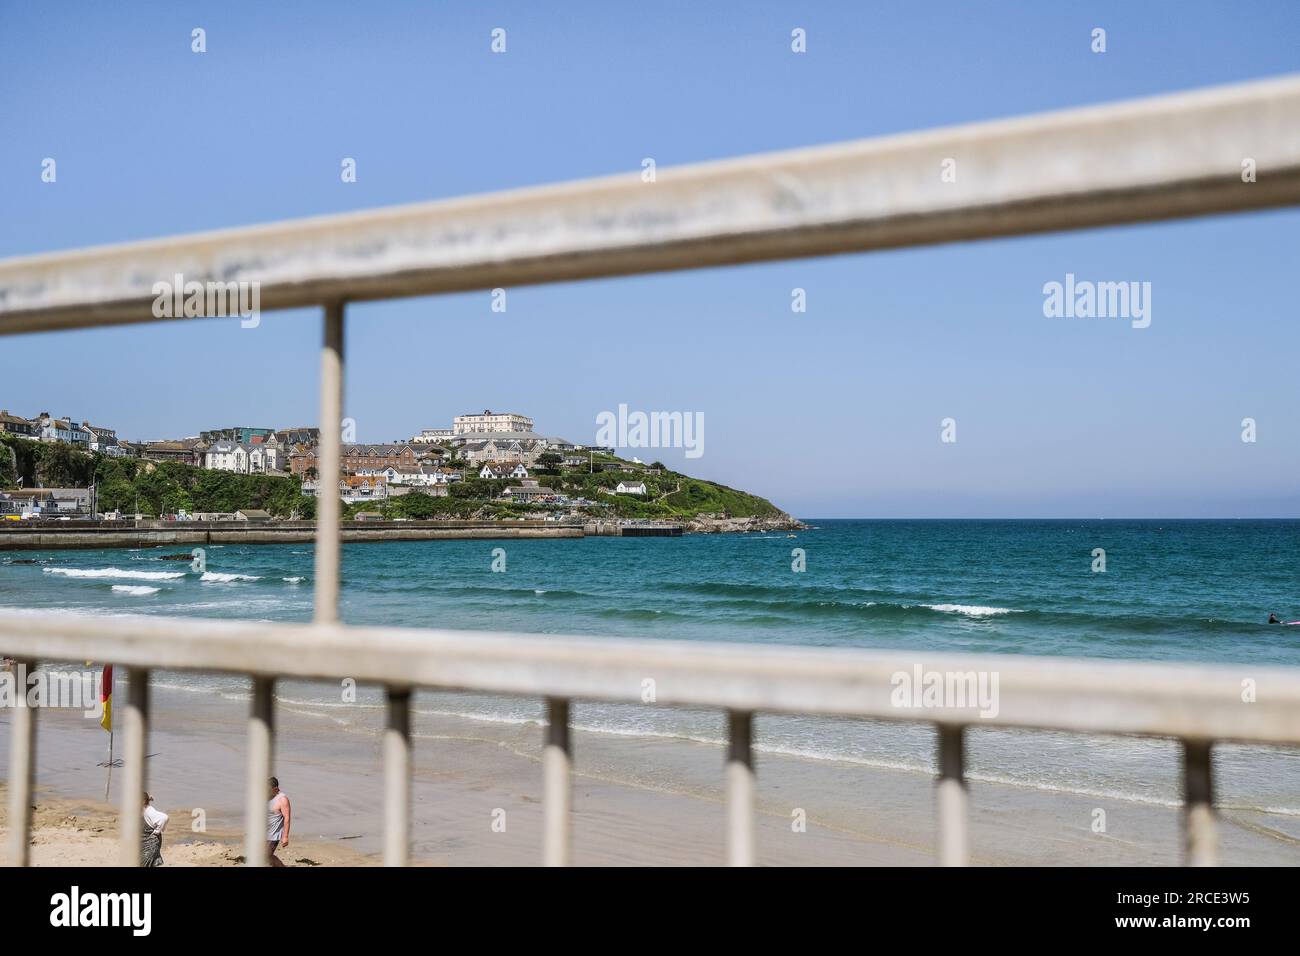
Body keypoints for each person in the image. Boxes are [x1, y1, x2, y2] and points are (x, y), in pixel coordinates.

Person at [267, 776, 291, 867]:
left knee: (266, 855)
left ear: (276, 789)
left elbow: (287, 818)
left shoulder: (282, 800)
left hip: (274, 834)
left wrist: (285, 836)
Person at [140, 793, 168, 867]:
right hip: (144, 842)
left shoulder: (149, 811)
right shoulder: (143, 809)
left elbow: (164, 818)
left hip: (151, 843)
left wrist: (157, 831)